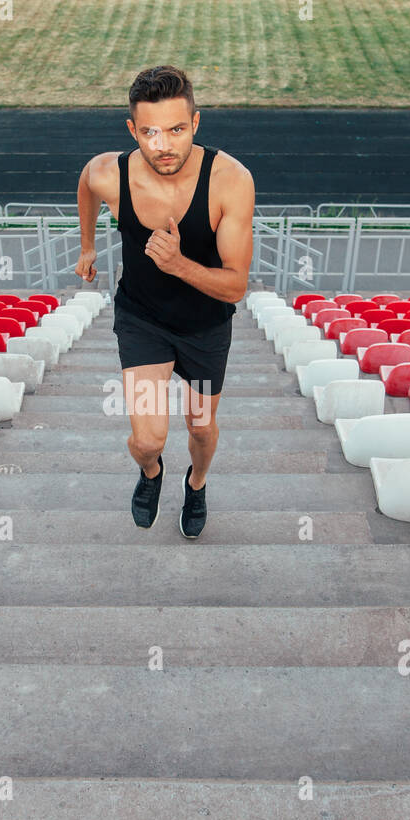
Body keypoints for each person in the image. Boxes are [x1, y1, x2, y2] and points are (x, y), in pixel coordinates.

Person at [75, 65, 254, 538]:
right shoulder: (110, 174)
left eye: (176, 129)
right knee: (147, 439)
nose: (164, 145)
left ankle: (195, 483)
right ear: (133, 131)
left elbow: (236, 287)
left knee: (199, 429)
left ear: (196, 123)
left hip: (204, 327)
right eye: (150, 132)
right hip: (143, 320)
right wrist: (88, 245)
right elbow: (86, 184)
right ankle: (151, 473)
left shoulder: (230, 181)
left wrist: (177, 265)